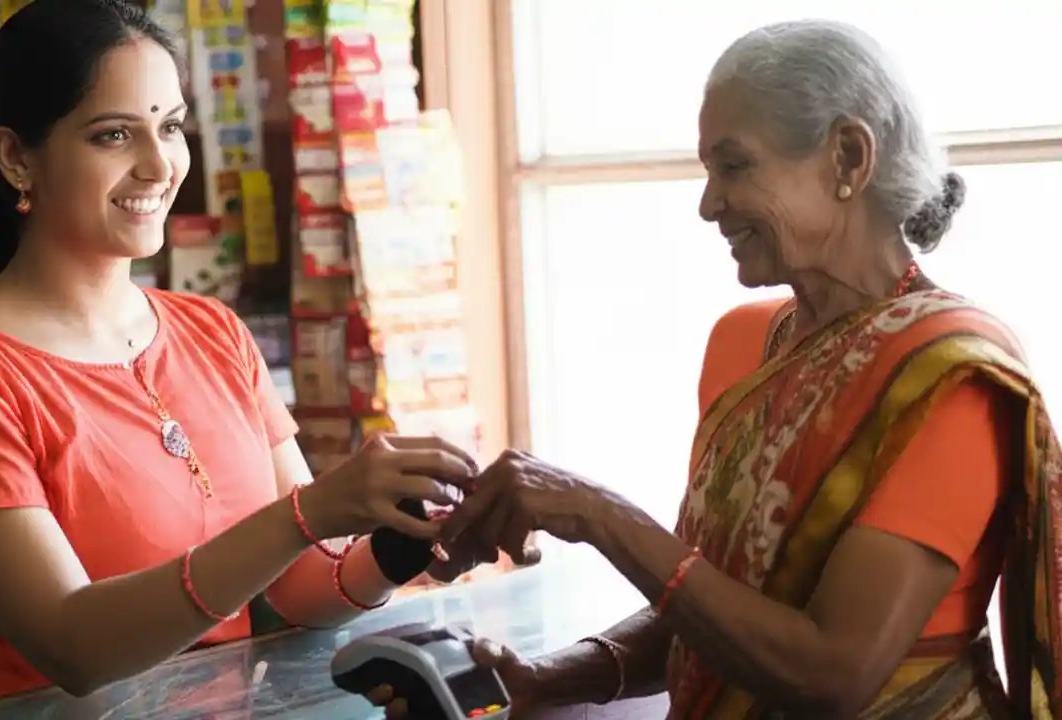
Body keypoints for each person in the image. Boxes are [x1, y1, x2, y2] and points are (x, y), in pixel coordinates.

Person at [370, 19, 1062, 719]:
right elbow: (712, 613)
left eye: (734, 166)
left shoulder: (946, 376)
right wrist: (553, 679)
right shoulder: (746, 344)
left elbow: (832, 672)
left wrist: (600, 514)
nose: (708, 205)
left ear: (848, 158)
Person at [0, 0, 485, 709]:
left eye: (170, 128)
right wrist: (310, 513)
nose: (158, 165)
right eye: (113, 135)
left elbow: (297, 587)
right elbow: (70, 643)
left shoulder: (214, 332)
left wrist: (405, 543)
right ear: (18, 157)